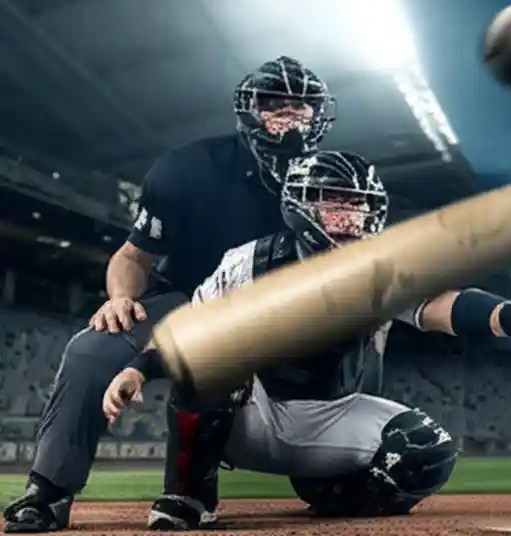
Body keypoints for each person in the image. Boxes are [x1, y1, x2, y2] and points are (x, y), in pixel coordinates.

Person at [101, 151, 511, 530]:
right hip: (251, 413)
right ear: (300, 205)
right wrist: (138, 369)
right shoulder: (249, 262)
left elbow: (439, 305)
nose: (352, 216)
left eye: (360, 204)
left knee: (427, 452)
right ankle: (189, 494)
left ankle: (330, 492)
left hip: (333, 415)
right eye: (336, 202)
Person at [3, 57, 336, 533]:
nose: (289, 115)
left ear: (319, 114)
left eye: (301, 106)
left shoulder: (334, 182)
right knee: (92, 348)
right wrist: (120, 297)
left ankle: (338, 471)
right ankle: (48, 491)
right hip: (184, 299)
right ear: (248, 109)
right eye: (274, 103)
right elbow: (132, 256)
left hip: (284, 318)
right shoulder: (189, 168)